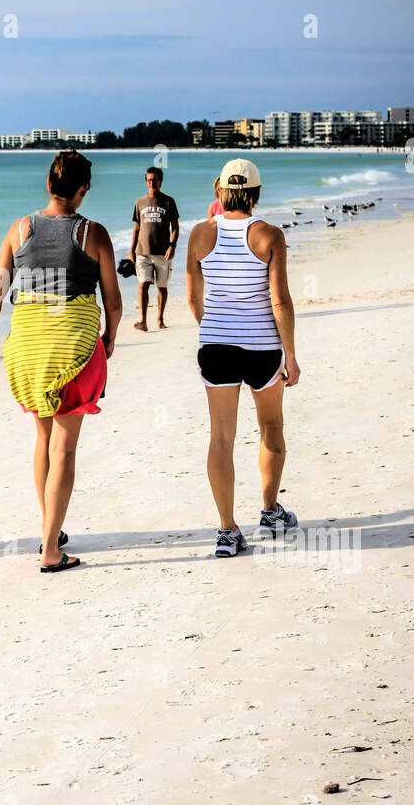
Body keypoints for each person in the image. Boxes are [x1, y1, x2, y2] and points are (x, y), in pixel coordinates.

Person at [0, 150, 122, 573]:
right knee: (65, 448)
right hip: (72, 348)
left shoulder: (19, 229)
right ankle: (51, 550)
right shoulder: (93, 232)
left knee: (42, 441)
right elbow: (112, 299)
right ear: (82, 189)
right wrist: (110, 337)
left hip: (26, 350)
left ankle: (49, 529)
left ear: (48, 185)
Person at [186, 158, 301, 558]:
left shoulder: (200, 234)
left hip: (215, 345)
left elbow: (193, 299)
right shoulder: (270, 235)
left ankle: (227, 531)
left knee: (221, 436)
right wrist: (291, 354)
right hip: (263, 347)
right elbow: (280, 301)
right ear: (255, 193)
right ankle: (269, 511)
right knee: (271, 425)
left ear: (220, 190)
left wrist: (215, 328)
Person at [128, 165, 179, 332]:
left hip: (163, 252)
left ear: (161, 181)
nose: (152, 182)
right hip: (142, 252)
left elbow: (175, 226)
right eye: (149, 180)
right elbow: (137, 228)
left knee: (162, 287)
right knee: (143, 285)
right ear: (146, 181)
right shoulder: (139, 202)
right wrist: (131, 251)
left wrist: (173, 245)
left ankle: (160, 318)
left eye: (155, 180)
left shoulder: (168, 201)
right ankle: (143, 321)